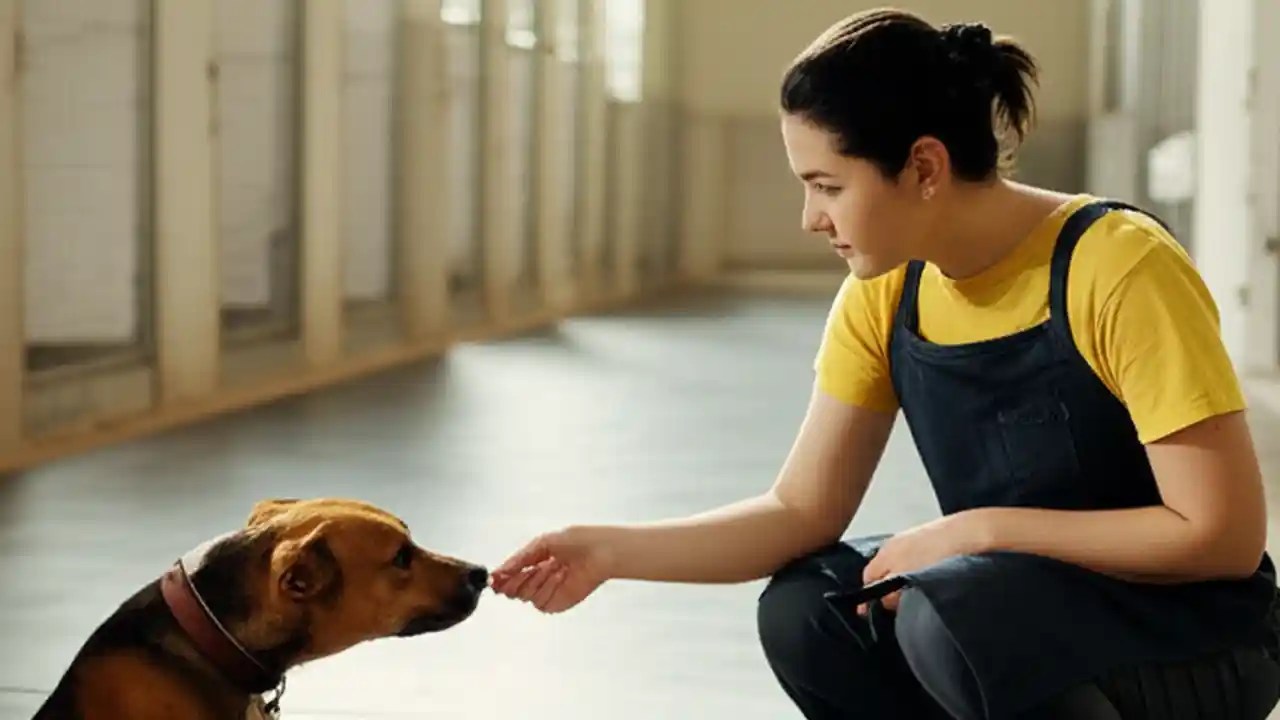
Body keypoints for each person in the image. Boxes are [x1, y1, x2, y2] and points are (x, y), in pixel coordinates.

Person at [490, 8, 1280, 719]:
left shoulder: (1119, 266)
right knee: (811, 609)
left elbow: (1221, 536)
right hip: (1023, 614)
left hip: (1194, 641)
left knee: (948, 612)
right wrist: (607, 550)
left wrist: (979, 532)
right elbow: (799, 512)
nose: (811, 218)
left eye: (827, 186)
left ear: (924, 168)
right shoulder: (888, 291)